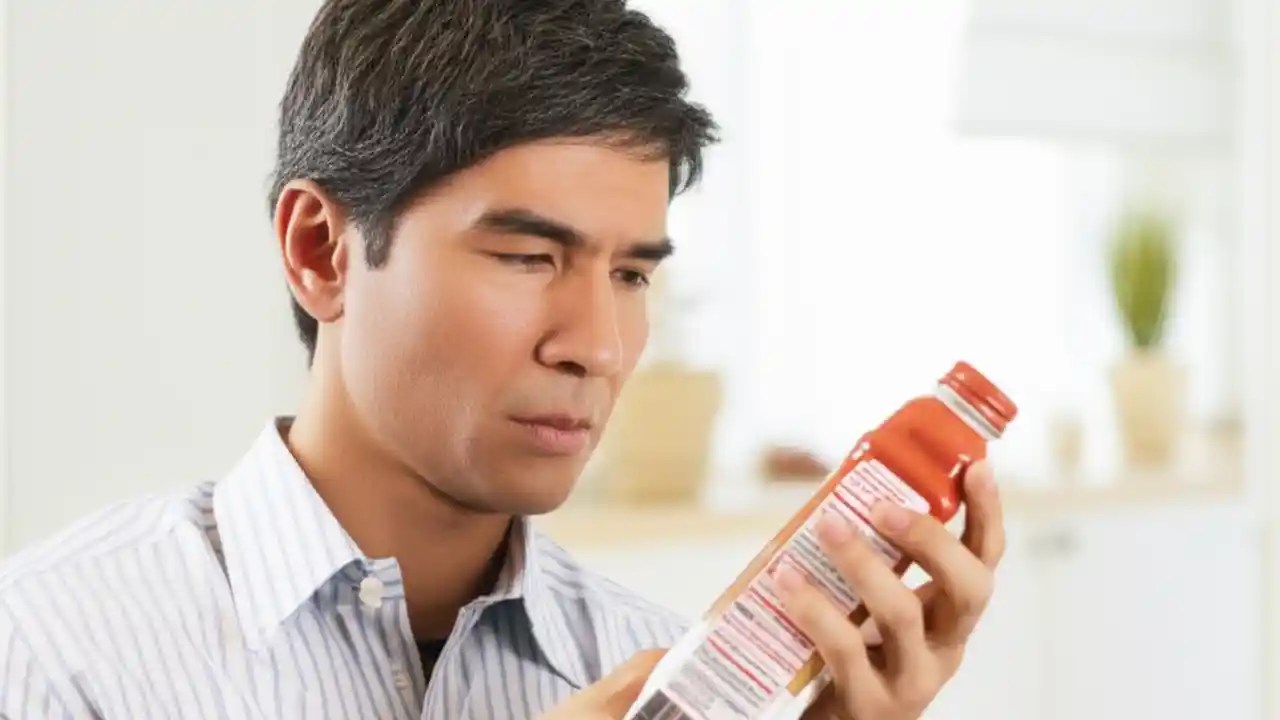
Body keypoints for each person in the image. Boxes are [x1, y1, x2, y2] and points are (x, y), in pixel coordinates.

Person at [0, 1, 1005, 718]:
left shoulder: (660, 677)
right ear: (318, 250)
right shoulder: (56, 653)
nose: (598, 348)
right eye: (529, 257)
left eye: (629, 276)